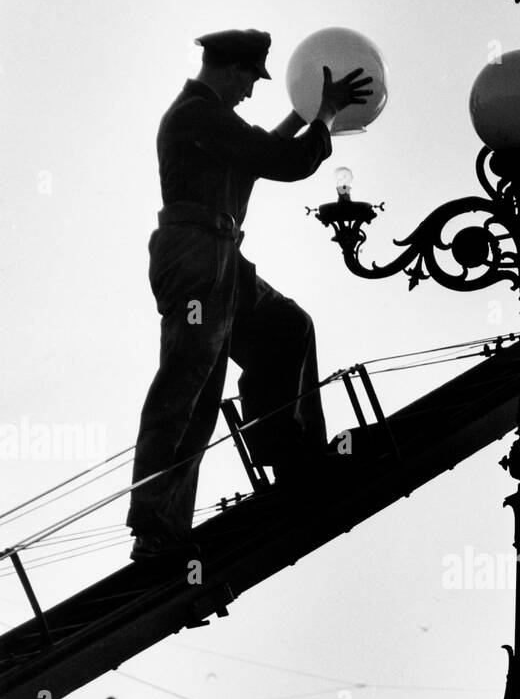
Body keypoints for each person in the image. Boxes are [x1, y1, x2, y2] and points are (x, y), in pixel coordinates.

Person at [127, 28, 372, 561]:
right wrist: (324, 115)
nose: (253, 90)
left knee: (286, 326)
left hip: (219, 258)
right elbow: (281, 161)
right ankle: (155, 528)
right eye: (251, 79)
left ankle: (293, 458)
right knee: (190, 385)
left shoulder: (209, 118)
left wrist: (310, 116)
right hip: (197, 257)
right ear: (233, 69)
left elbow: (258, 150)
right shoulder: (197, 114)